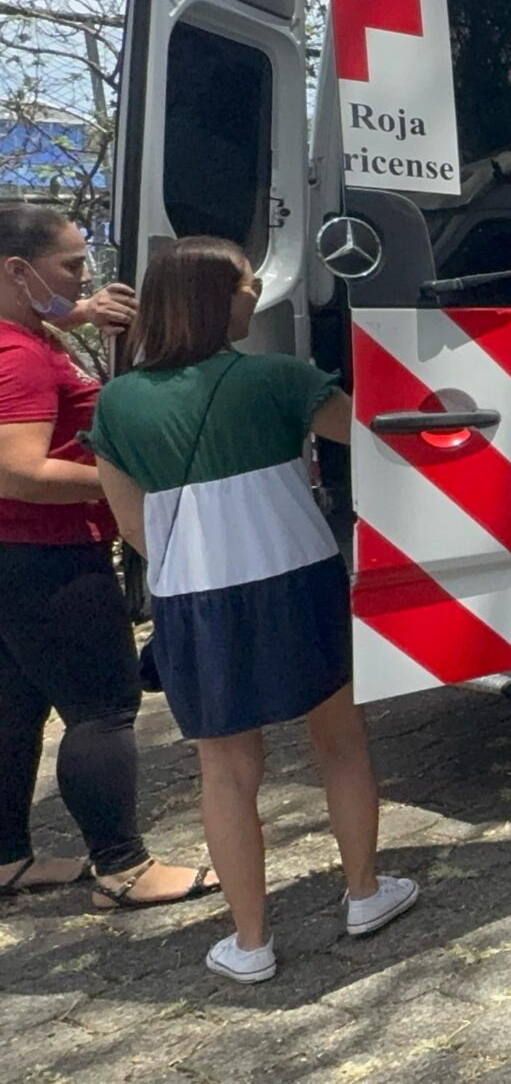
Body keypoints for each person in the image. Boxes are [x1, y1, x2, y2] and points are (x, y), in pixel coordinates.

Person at [86, 236, 417, 983]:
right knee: (341, 739)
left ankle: (251, 941)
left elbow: (132, 528)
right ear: (215, 299)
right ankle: (364, 892)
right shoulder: (278, 379)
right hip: (296, 577)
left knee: (228, 771)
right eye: (246, 284)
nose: (254, 297)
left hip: (195, 595)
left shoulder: (118, 403)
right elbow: (376, 435)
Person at [0, 202, 217, 908]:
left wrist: (77, 312)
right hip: (49, 556)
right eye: (70, 266)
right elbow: (18, 470)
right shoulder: (20, 356)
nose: (83, 278)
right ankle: (123, 870)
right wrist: (126, 482)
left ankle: (7, 860)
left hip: (13, 557)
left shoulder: (21, 331)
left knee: (13, 705)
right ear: (17, 270)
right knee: (103, 708)